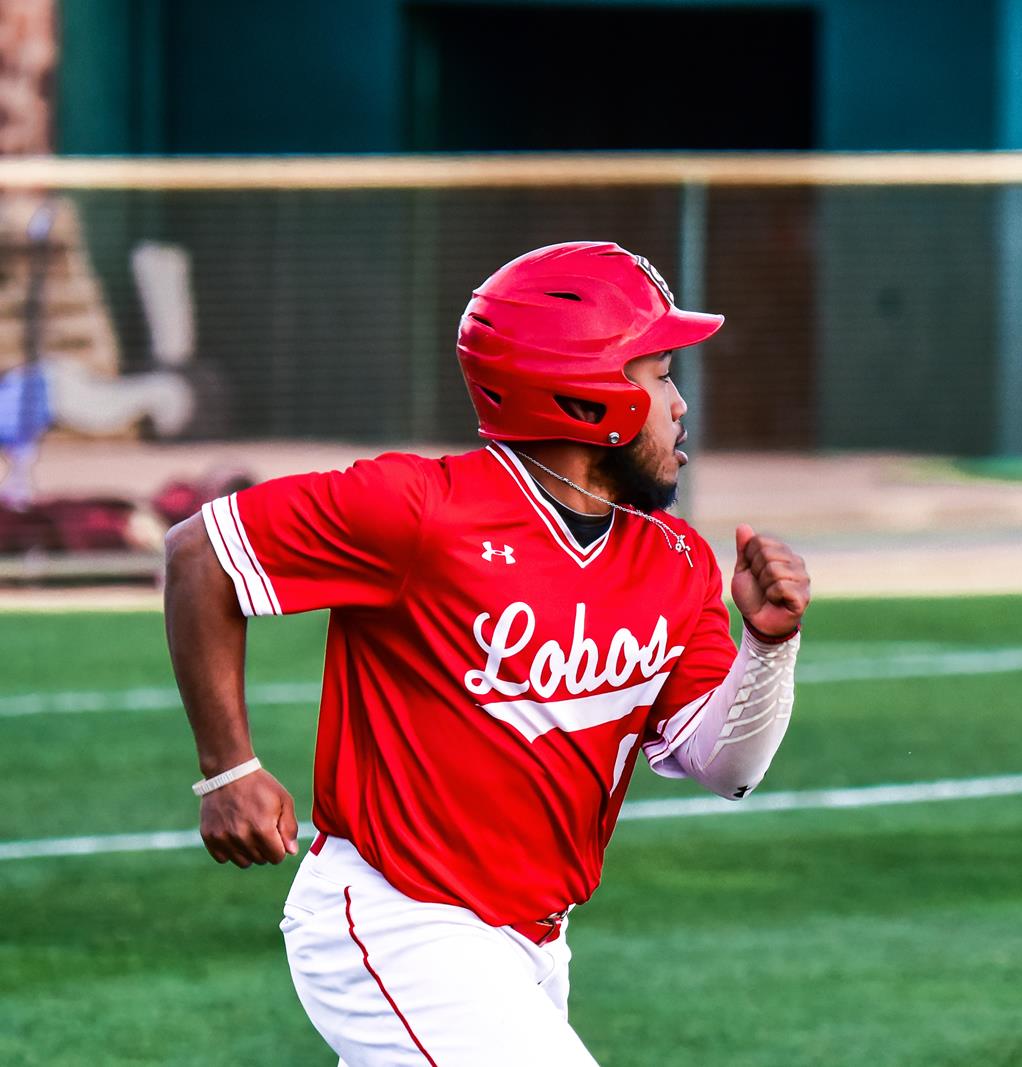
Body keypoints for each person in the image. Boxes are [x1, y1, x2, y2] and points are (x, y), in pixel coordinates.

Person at [163, 241, 811, 1065]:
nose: (679, 404)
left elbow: (724, 768)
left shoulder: (674, 557)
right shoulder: (422, 508)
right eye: (659, 375)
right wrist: (228, 769)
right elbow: (202, 552)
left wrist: (768, 643)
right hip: (398, 919)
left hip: (533, 945)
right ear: (586, 395)